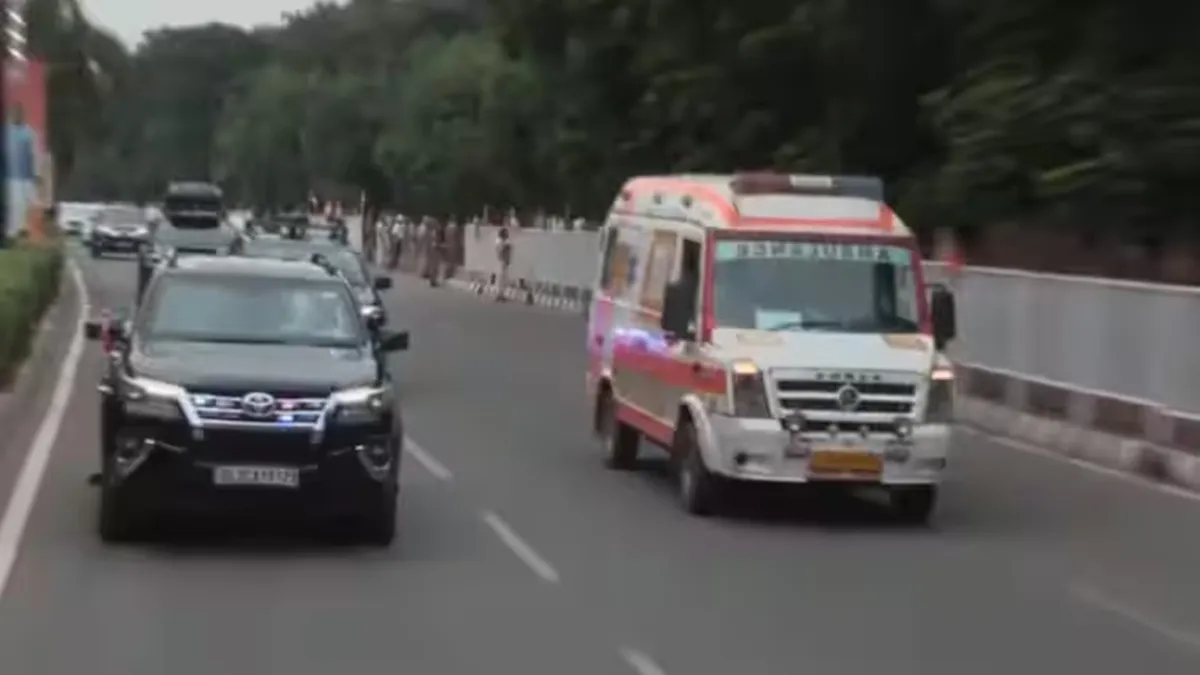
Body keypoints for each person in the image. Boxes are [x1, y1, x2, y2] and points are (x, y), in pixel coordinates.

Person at [496, 225, 513, 302]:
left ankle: (501, 294)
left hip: (505, 261)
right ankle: (500, 294)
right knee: (501, 278)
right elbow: (501, 250)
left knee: (504, 278)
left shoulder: (505, 241)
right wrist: (505, 246)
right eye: (505, 233)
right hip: (502, 261)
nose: (507, 235)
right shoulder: (500, 241)